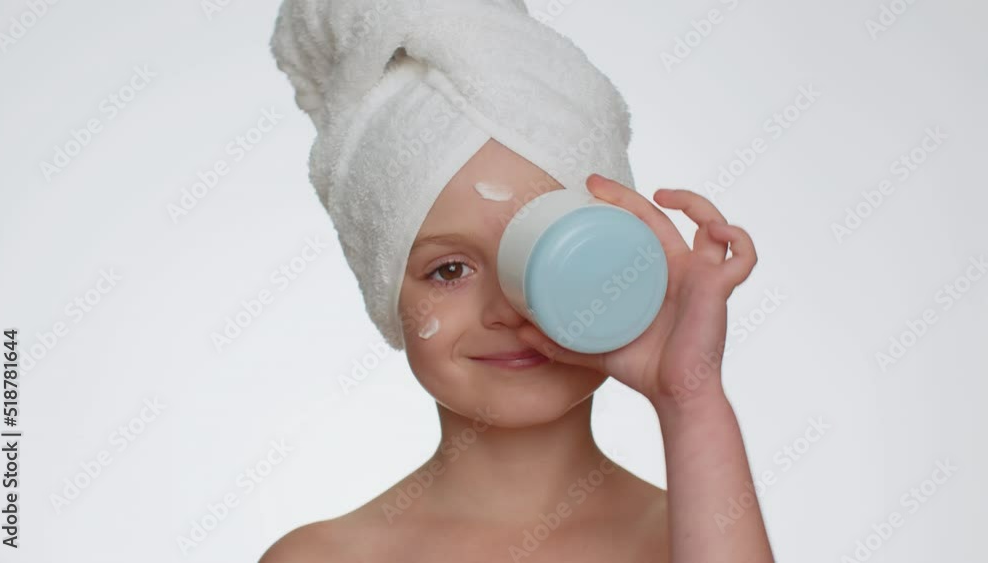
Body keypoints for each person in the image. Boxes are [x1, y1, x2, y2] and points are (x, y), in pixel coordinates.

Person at [259, 137, 774, 562]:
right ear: (385, 296)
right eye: (450, 270)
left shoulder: (704, 537)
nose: (509, 309)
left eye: (545, 255)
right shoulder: (320, 557)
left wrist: (689, 395)